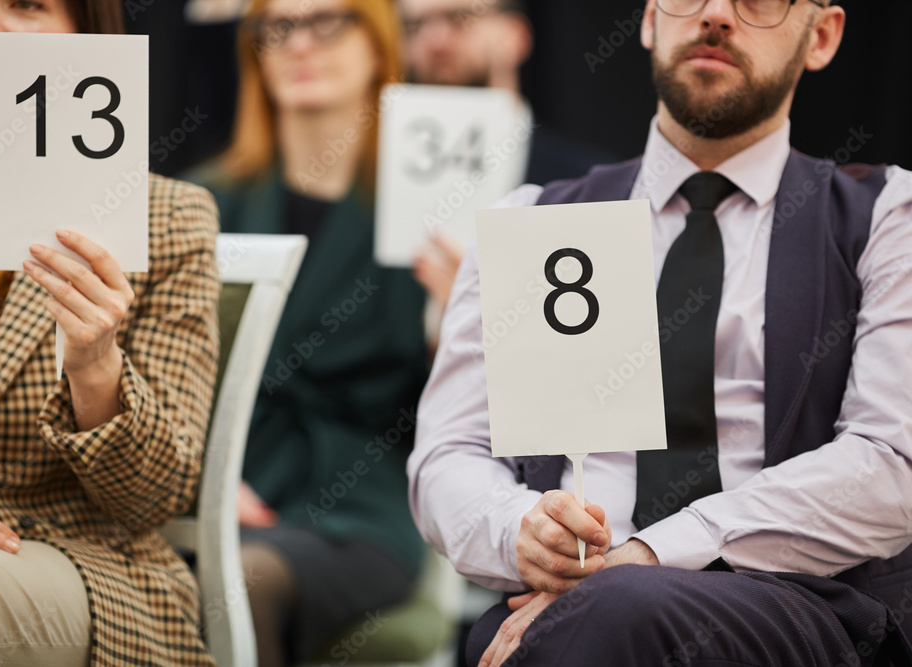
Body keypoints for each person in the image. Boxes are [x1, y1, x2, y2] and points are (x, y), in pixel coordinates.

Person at [409, 0, 912, 664]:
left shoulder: (886, 218)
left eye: (756, 2)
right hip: (553, 604)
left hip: (800, 610)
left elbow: (890, 463)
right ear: (649, 21)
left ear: (821, 36)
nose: (715, 16)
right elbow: (447, 453)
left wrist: (647, 554)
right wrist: (520, 531)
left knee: (616, 610)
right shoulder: (532, 218)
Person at [0, 1, 220, 665]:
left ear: (89, 40)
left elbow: (156, 495)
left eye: (24, 3)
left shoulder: (169, 218)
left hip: (84, 567)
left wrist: (94, 366)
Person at [187, 0, 428, 664]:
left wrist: (455, 317)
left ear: (378, 43)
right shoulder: (197, 203)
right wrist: (198, 478)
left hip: (358, 507)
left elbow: (464, 409)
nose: (300, 45)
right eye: (278, 28)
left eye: (327, 21)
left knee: (241, 577)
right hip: (220, 486)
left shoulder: (426, 219)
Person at [399, 0, 611, 314]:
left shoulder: (595, 188)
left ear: (516, 36)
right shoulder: (377, 185)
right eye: (414, 26)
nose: (435, 39)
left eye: (459, 17)